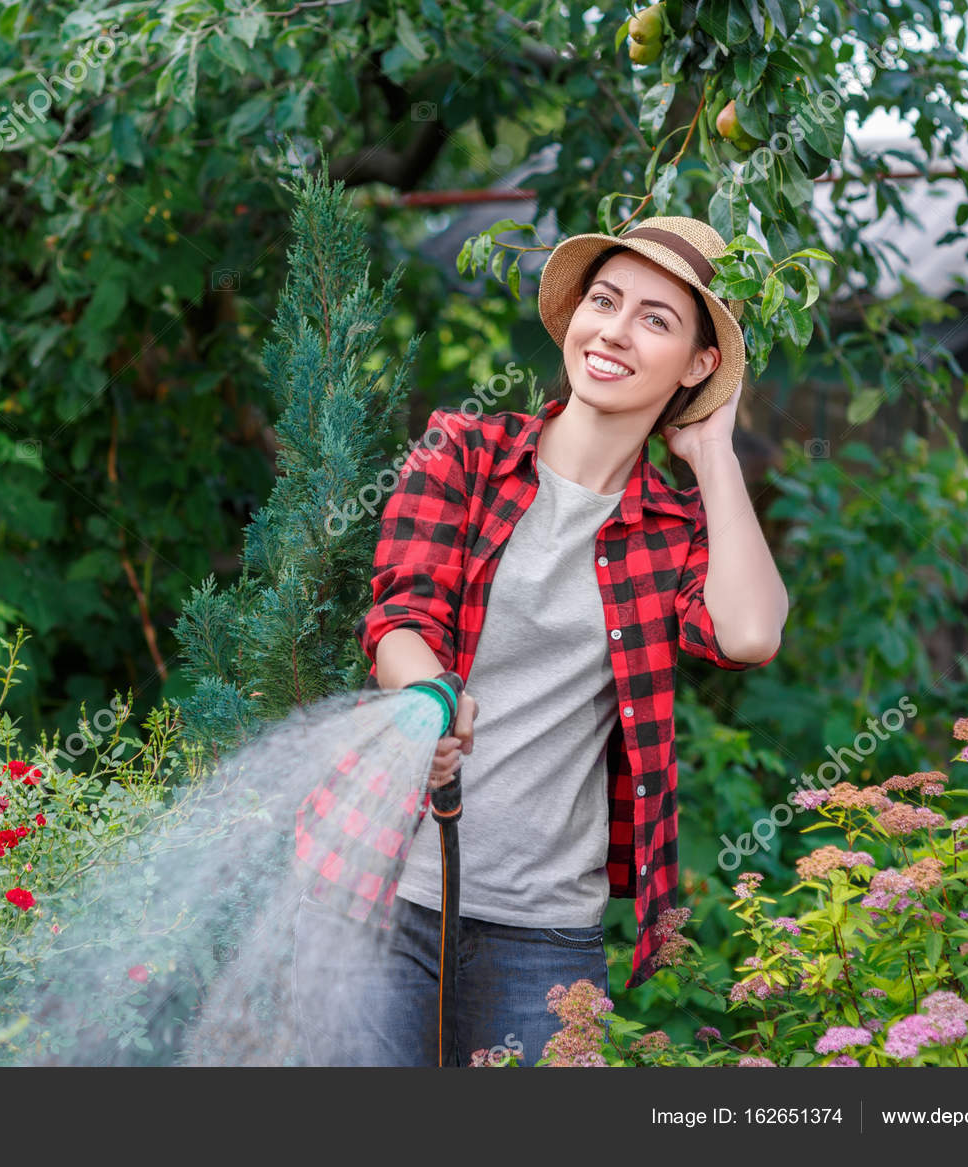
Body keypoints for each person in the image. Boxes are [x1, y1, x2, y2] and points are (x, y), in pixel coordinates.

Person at [291, 215, 790, 1067]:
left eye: (656, 320)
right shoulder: (466, 451)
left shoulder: (674, 529)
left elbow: (747, 634)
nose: (615, 332)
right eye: (605, 300)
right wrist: (431, 699)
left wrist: (711, 450)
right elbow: (400, 618)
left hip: (544, 932)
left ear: (699, 365)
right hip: (383, 889)